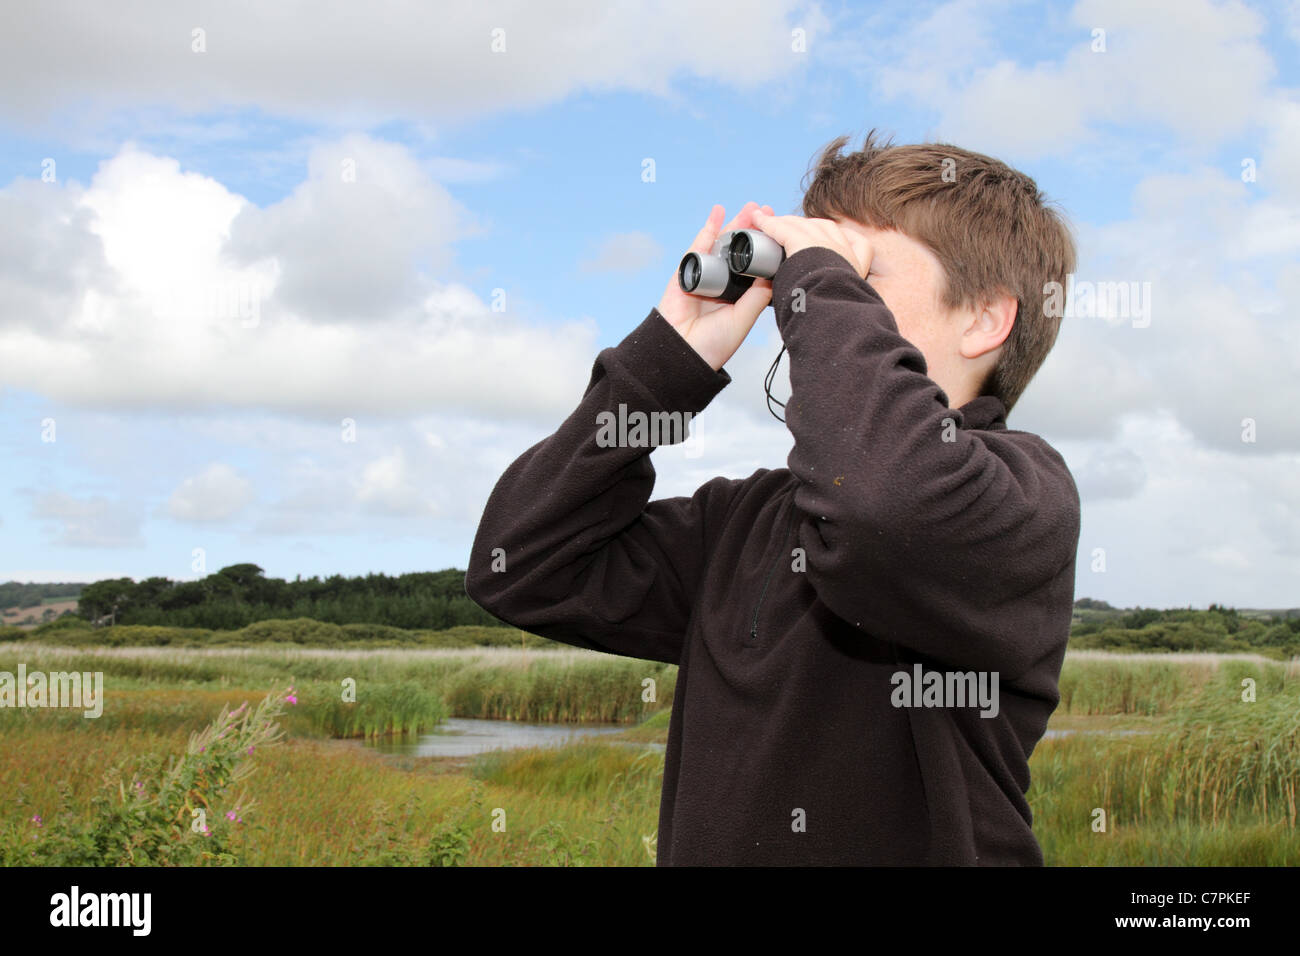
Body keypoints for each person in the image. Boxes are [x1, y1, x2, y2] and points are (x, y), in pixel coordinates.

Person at [465, 130, 1081, 865]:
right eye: (804, 271)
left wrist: (822, 276)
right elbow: (520, 564)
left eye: (859, 270)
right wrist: (667, 362)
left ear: (984, 319)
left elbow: (883, 504)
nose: (802, 296)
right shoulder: (742, 523)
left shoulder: (1023, 498)